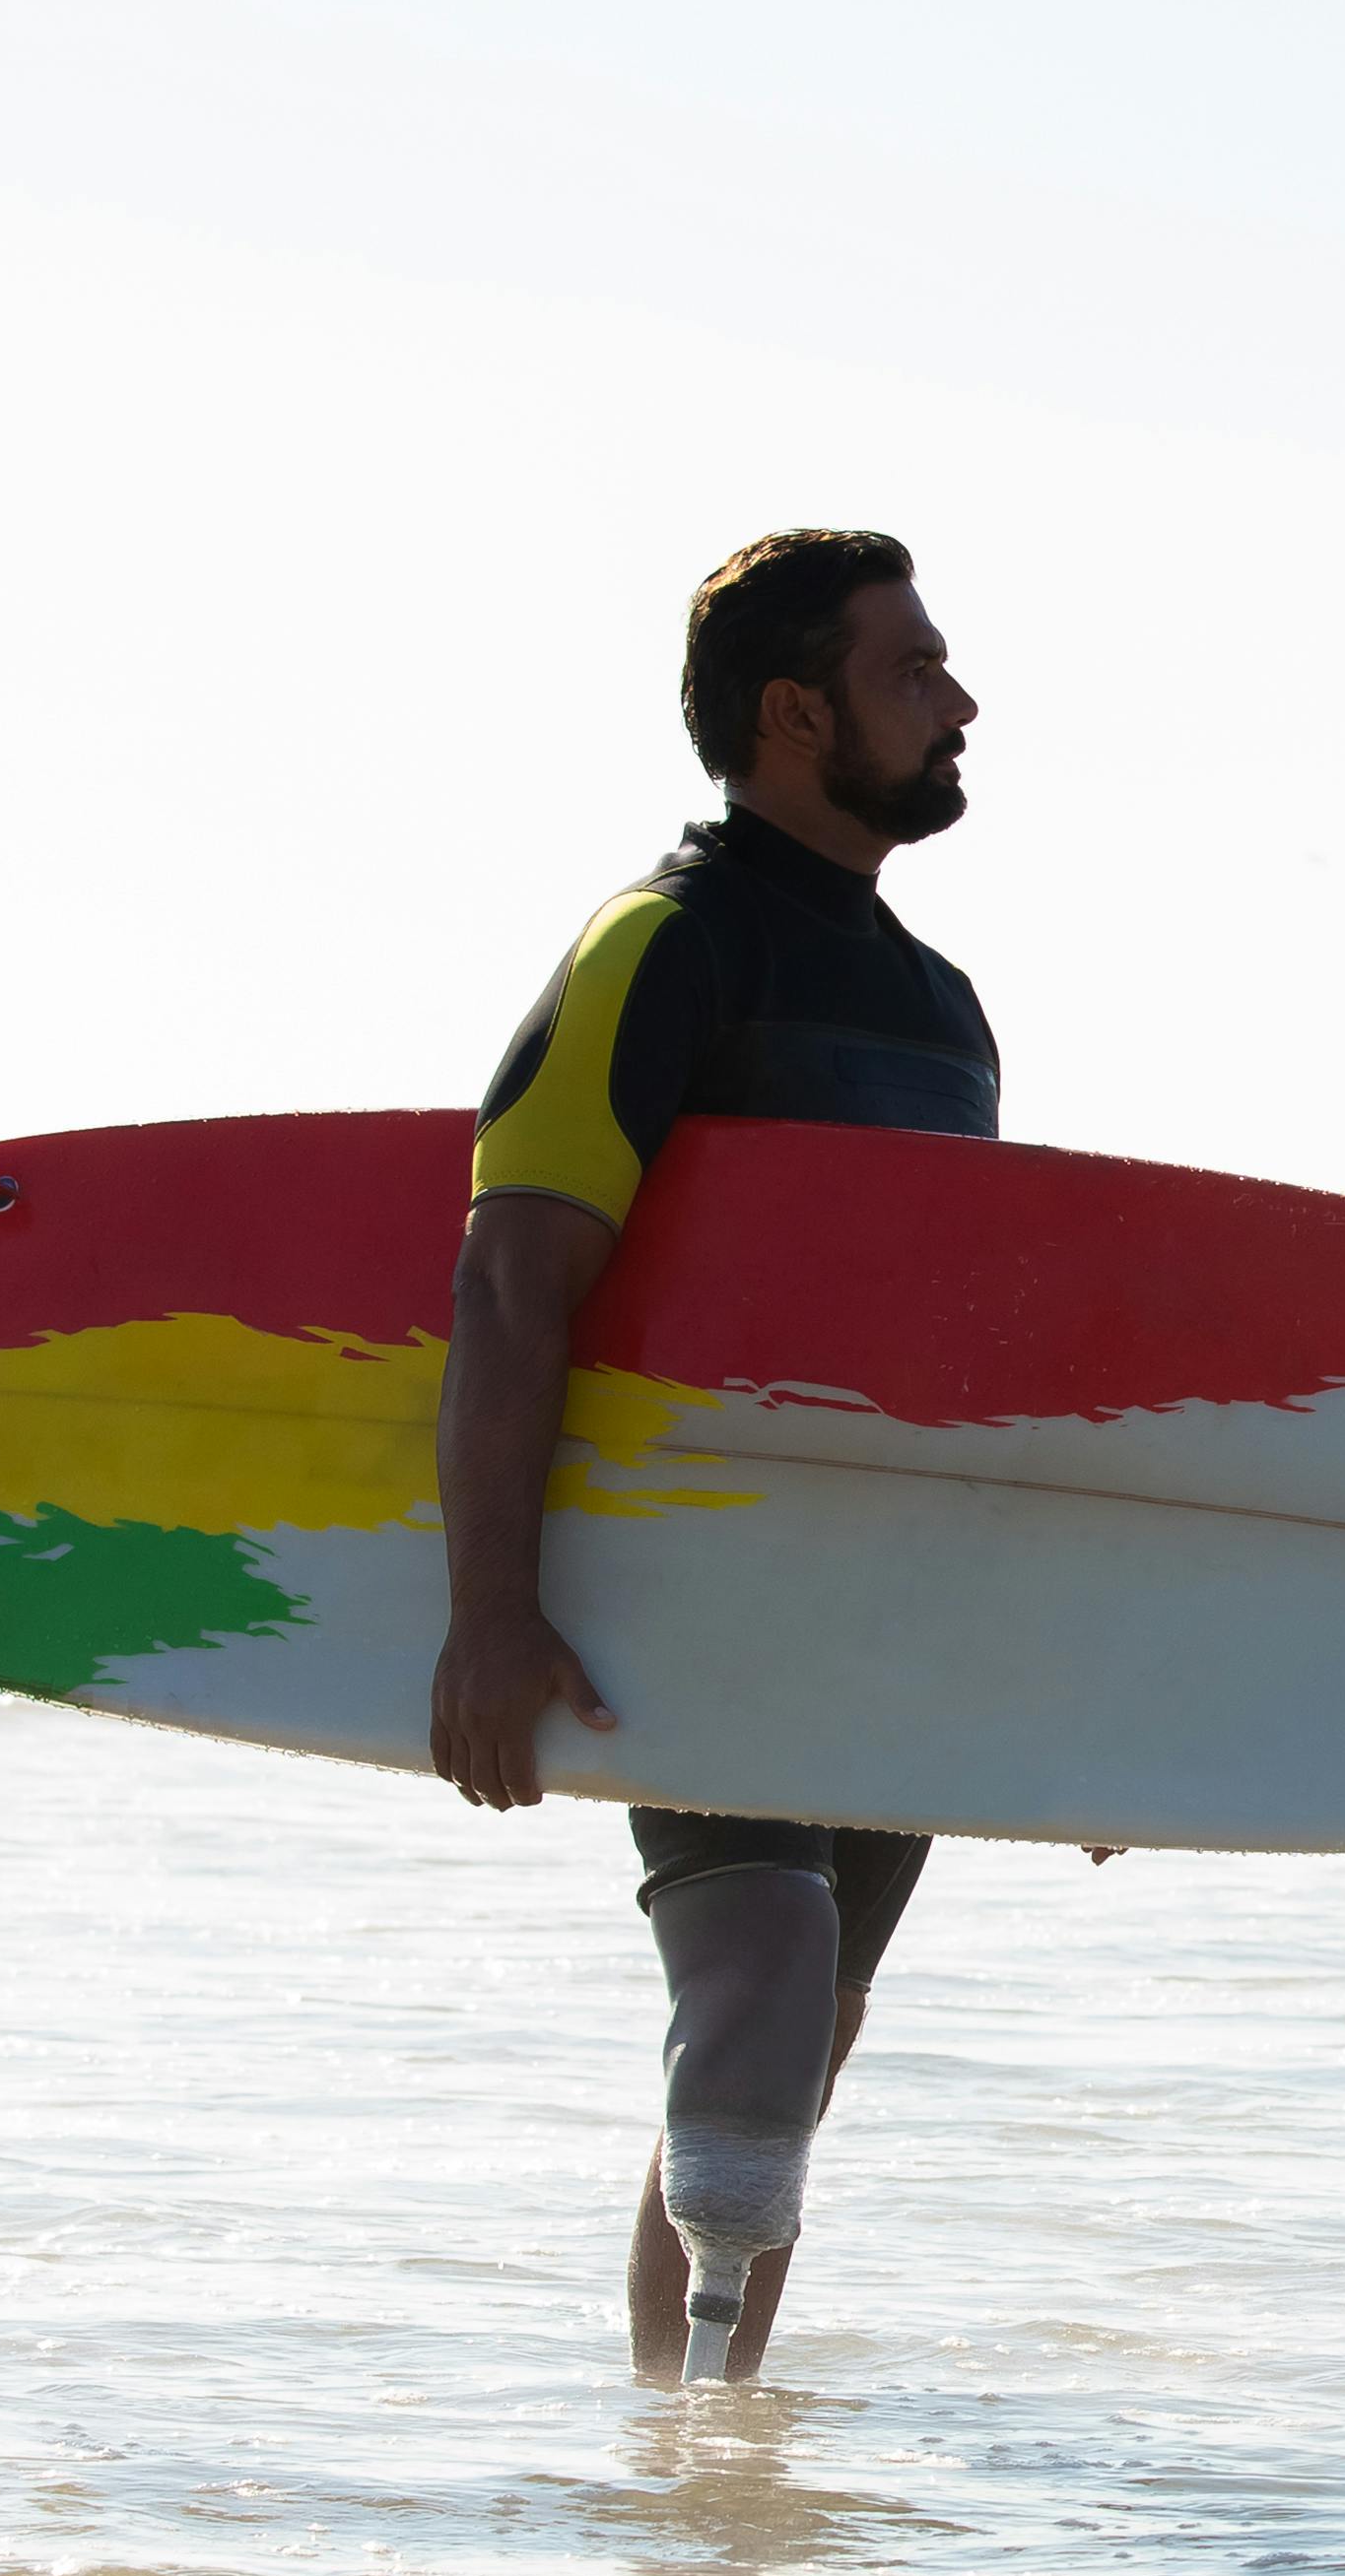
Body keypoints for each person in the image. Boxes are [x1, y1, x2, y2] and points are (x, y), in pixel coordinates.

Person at [426, 529, 994, 2386]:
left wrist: (1058, 1678)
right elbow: (515, 1287)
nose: (961, 702)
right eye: (913, 670)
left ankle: (695, 2510)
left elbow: (967, 1374)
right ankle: (690, 2501)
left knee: (789, 2067)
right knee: (750, 2019)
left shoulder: (941, 1013)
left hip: (882, 1618)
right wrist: (489, 1616)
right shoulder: (661, 946)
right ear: (791, 709)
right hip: (691, 1574)